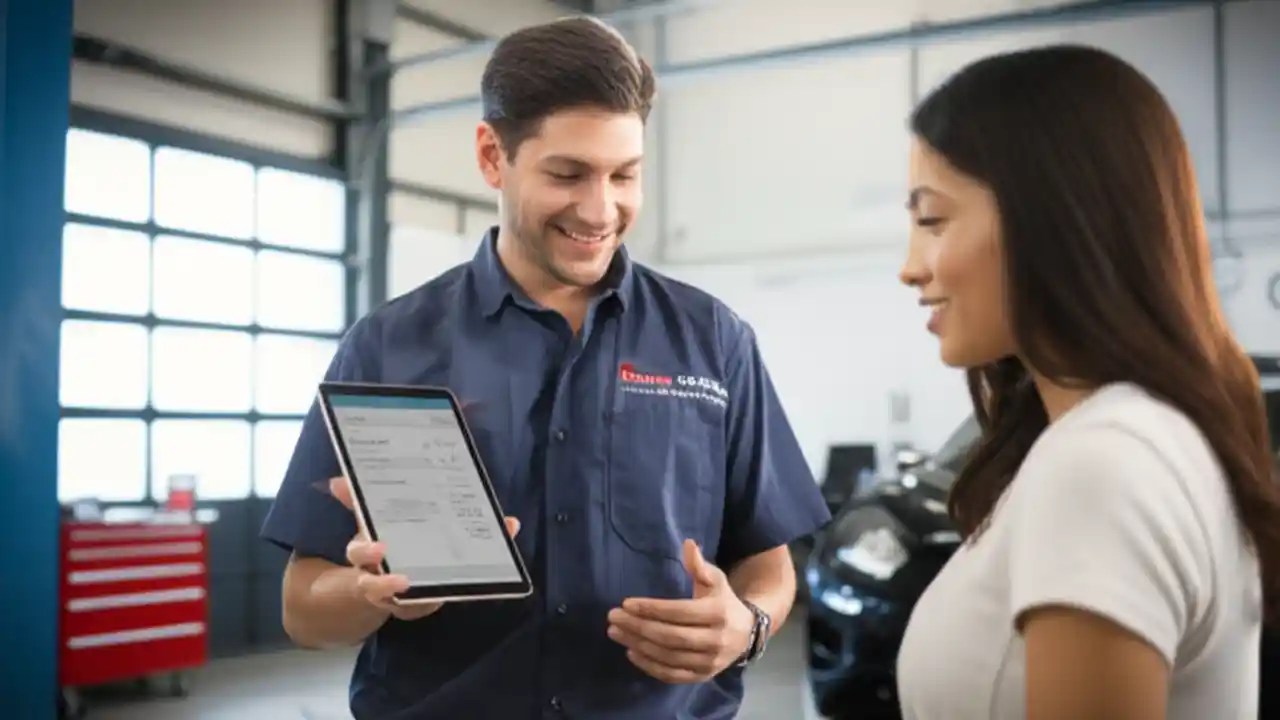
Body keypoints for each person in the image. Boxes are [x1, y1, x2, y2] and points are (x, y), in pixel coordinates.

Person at [260, 16, 830, 720]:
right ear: (492, 156)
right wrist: (370, 594)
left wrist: (749, 625)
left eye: (624, 175)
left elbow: (768, 563)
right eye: (567, 174)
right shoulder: (389, 348)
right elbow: (303, 609)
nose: (600, 209)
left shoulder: (714, 341)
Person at [893, 45, 1280, 720]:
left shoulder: (1102, 459)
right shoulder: (1136, 435)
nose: (910, 266)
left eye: (932, 220)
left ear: (1050, 219)